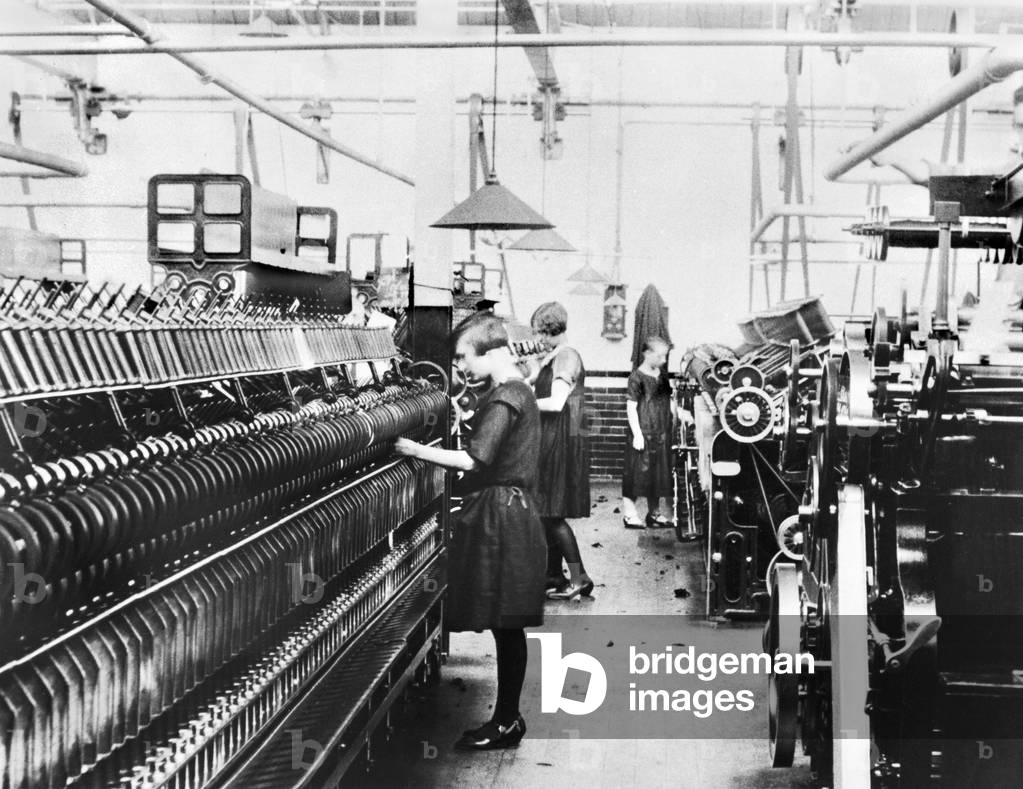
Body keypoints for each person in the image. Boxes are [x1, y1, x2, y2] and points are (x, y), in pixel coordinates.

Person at [394, 313, 546, 750]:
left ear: (492, 351)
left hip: (501, 516)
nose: (459, 366)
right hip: (510, 511)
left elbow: (472, 461)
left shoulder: (505, 398)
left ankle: (506, 720)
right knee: (507, 624)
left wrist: (413, 449)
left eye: (463, 357)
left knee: (505, 623)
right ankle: (507, 718)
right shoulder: (515, 392)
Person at [528, 301, 594, 600]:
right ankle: (552, 575)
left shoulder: (566, 356)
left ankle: (580, 577)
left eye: (539, 332)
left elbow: (555, 403)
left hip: (558, 441)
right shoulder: (555, 356)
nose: (537, 338)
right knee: (545, 511)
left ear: (547, 330)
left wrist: (523, 405)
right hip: (554, 438)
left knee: (551, 514)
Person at [622, 337, 675, 528]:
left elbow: (669, 401)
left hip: (660, 432)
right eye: (660, 356)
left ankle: (654, 513)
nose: (663, 360)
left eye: (665, 356)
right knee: (636, 474)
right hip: (643, 432)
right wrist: (637, 434)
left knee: (657, 474)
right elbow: (631, 407)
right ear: (647, 353)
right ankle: (629, 514)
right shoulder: (636, 377)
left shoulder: (661, 375)